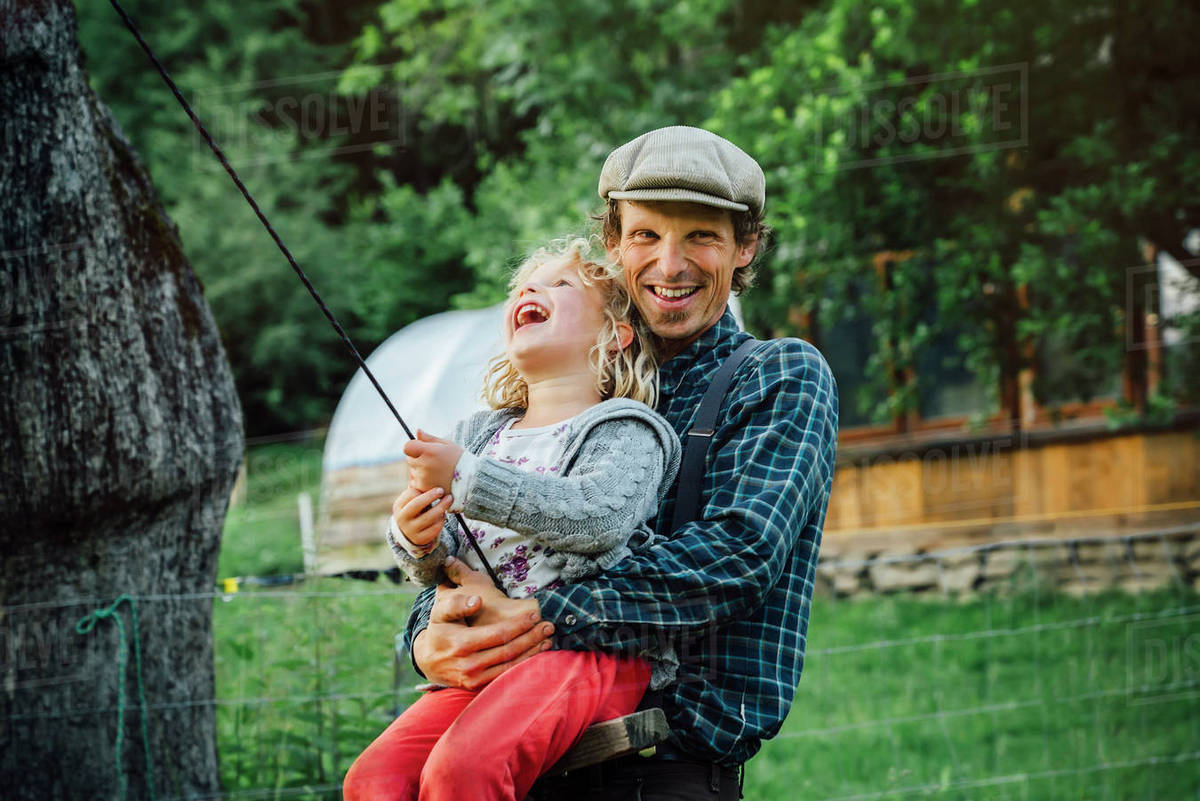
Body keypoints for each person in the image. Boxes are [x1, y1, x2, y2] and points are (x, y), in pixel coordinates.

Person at [398, 126, 839, 800]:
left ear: (744, 245)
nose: (670, 264)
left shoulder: (775, 376)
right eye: (645, 235)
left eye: (701, 236)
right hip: (514, 750)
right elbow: (496, 547)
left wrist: (538, 613)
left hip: (658, 767)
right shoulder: (551, 392)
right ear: (613, 239)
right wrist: (429, 629)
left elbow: (736, 556)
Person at [342, 239, 683, 801]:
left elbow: (598, 519)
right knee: (374, 779)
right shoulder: (481, 434)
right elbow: (445, 558)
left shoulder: (625, 429)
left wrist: (466, 480)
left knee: (463, 772)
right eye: (524, 285)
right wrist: (416, 536)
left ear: (615, 334)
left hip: (591, 656)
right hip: (494, 655)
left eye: (561, 285)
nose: (530, 290)